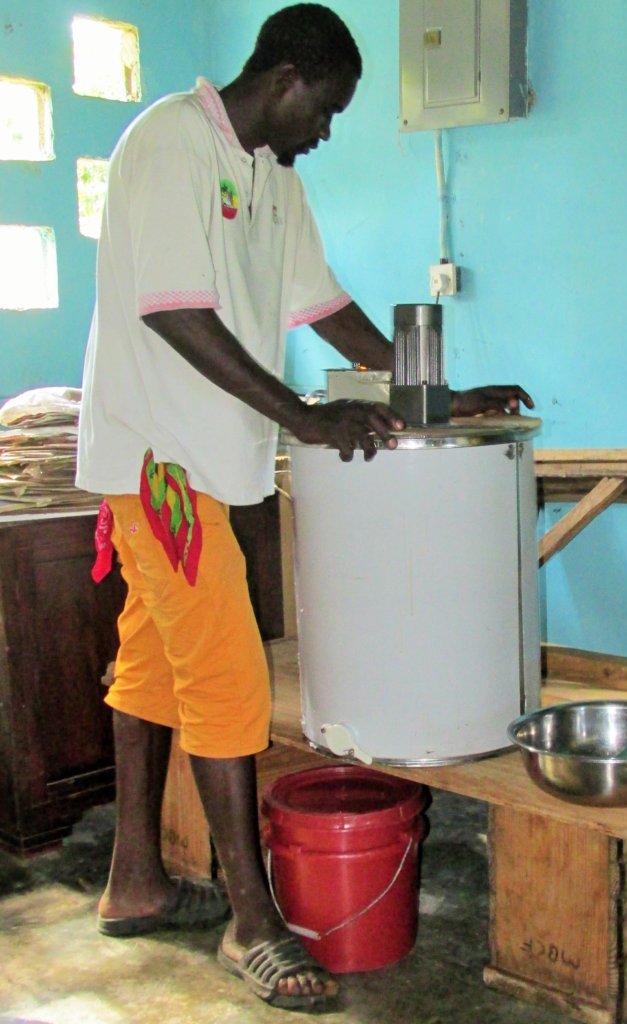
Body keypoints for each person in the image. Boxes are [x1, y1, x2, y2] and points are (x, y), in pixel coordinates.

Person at [75, 2, 534, 1013]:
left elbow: (325, 309)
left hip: (212, 461)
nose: (325, 130)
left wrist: (437, 395)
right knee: (226, 673)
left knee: (154, 660)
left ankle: (135, 879)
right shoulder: (169, 143)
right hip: (158, 464)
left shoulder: (273, 179)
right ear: (284, 79)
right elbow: (173, 312)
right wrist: (306, 417)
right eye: (323, 109)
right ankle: (252, 921)